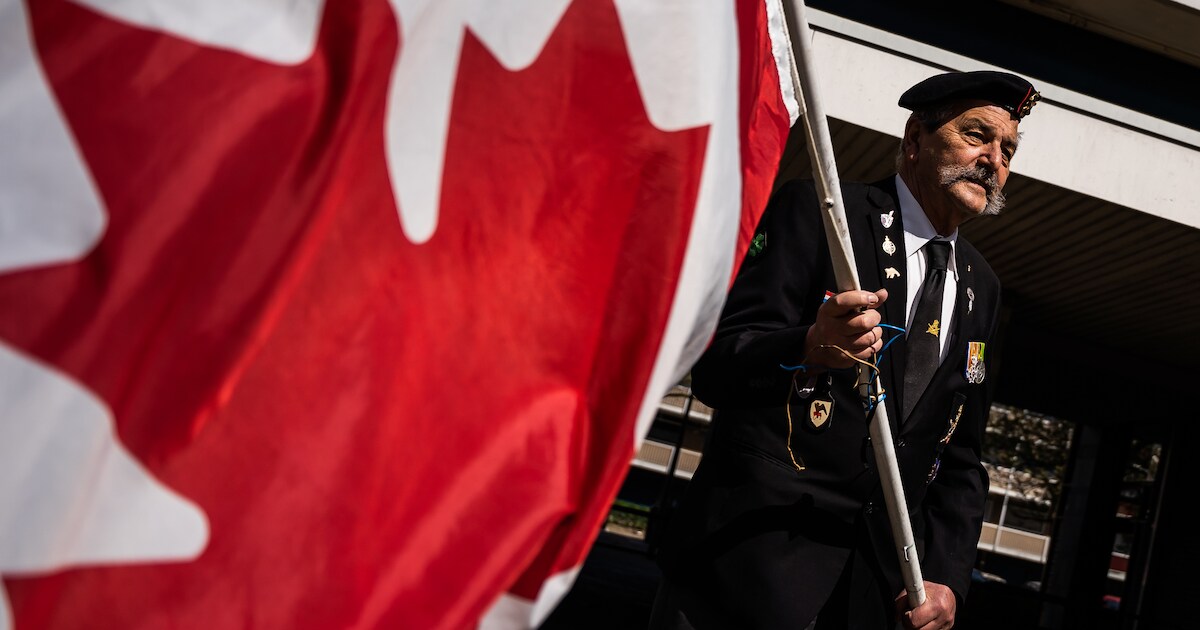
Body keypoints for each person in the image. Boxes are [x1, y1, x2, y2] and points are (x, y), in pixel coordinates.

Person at [647, 70, 1040, 630]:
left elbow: (960, 459)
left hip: (870, 598)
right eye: (977, 135)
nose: (993, 160)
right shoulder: (821, 213)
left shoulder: (984, 287)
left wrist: (948, 576)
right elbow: (718, 364)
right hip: (745, 571)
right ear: (914, 138)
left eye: (1007, 150)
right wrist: (809, 346)